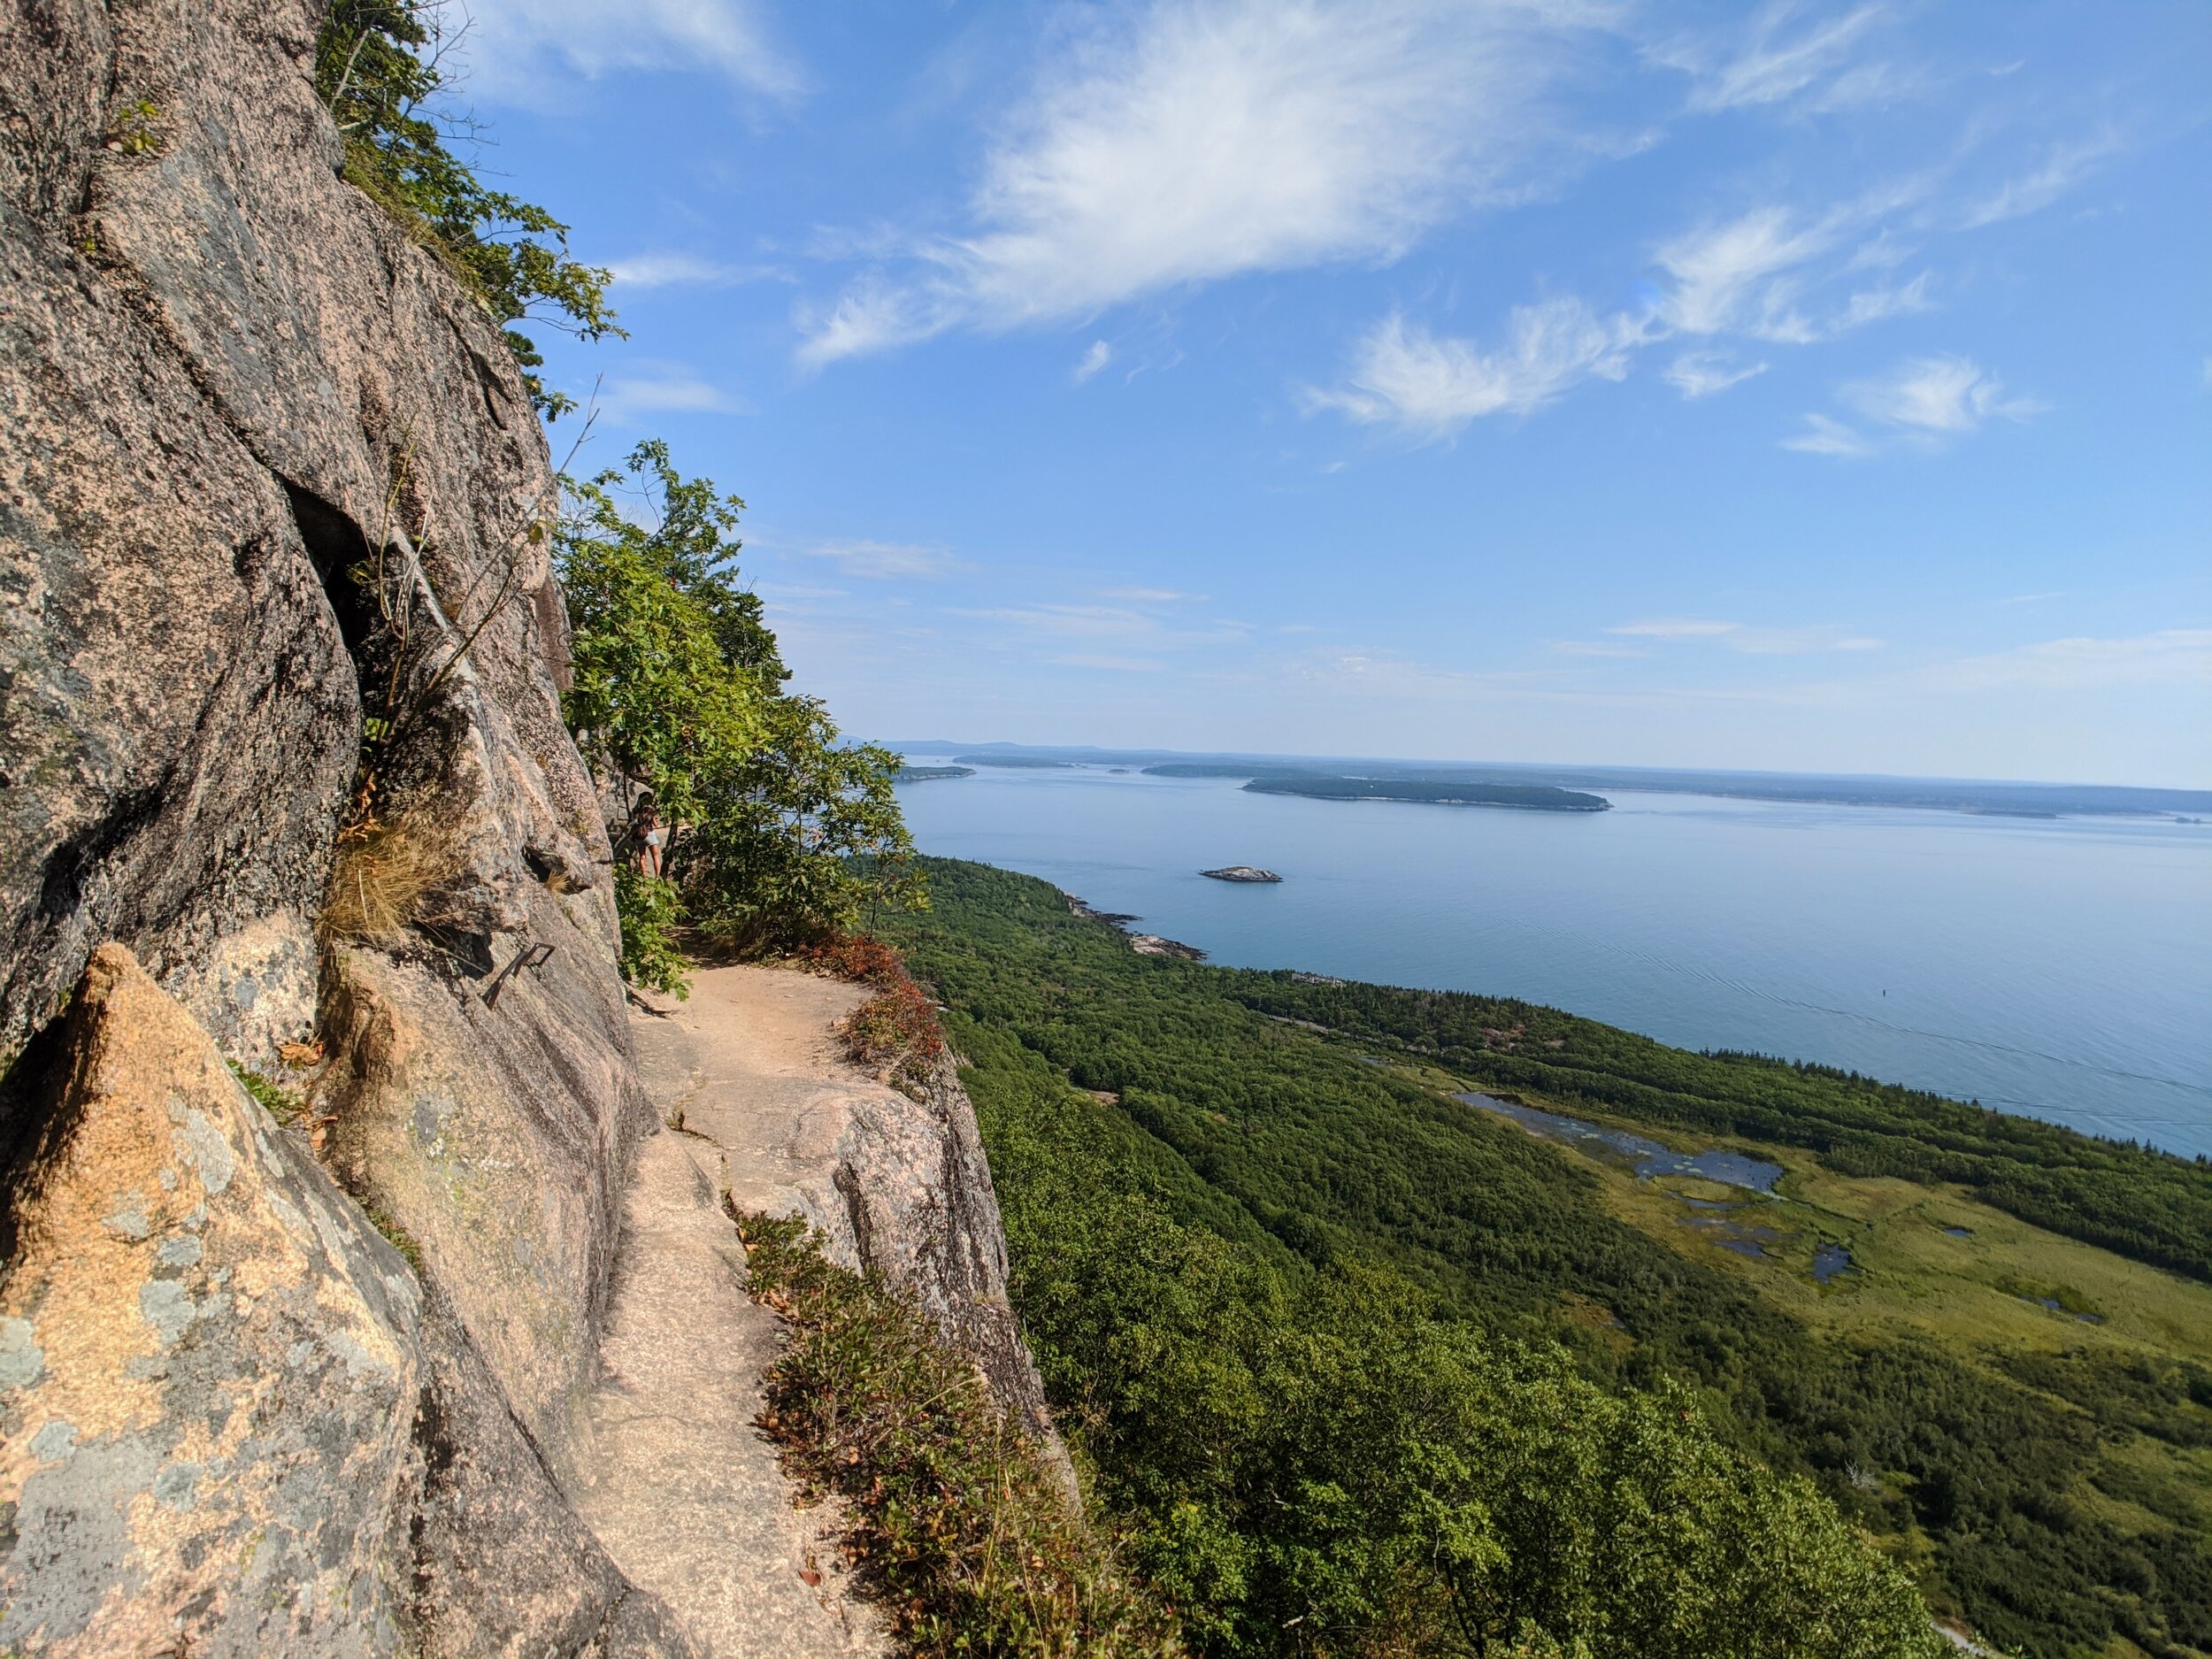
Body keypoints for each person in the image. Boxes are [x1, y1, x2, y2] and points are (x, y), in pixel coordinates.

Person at [629, 792, 666, 879]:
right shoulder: (650, 810)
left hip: (639, 836)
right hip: (649, 834)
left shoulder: (636, 810)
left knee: (642, 857)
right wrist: (656, 819)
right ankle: (657, 877)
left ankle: (644, 877)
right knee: (655, 856)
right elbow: (655, 824)